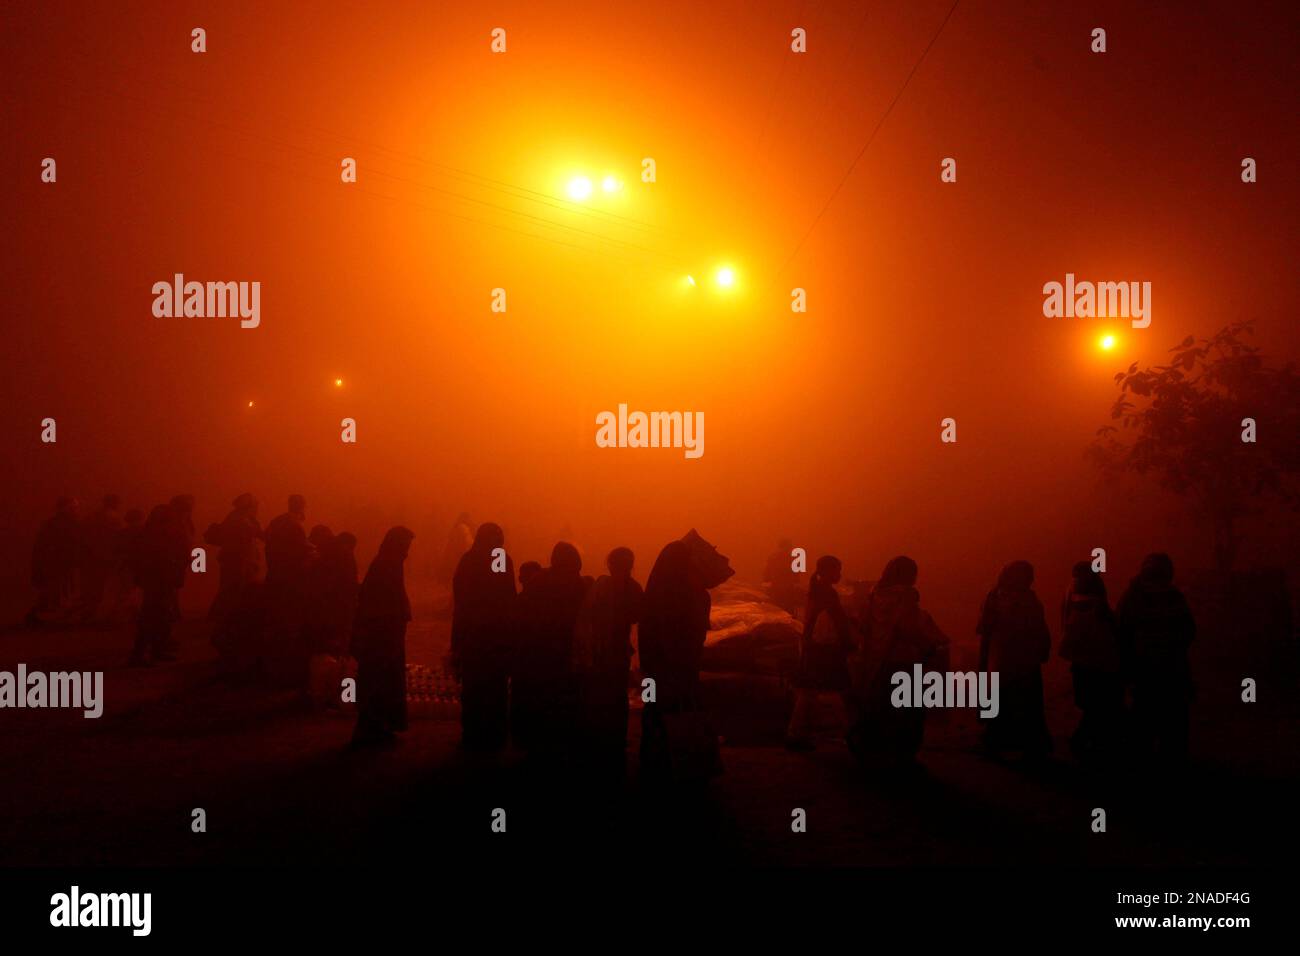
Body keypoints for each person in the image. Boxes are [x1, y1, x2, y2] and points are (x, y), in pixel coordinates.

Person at [637, 534, 728, 781]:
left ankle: (654, 763)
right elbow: (685, 635)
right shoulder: (685, 595)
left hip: (655, 668)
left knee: (654, 711)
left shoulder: (656, 591)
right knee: (682, 712)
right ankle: (684, 762)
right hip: (678, 668)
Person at [848, 556, 949, 768]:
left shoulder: (874, 594)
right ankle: (902, 755)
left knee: (881, 706)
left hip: (878, 660)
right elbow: (907, 627)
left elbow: (863, 626)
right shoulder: (906, 596)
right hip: (905, 658)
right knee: (907, 709)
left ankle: (874, 751)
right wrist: (928, 645)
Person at [513, 542, 591, 759]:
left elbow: (520, 612)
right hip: (559, 651)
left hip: (541, 650)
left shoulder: (540, 581)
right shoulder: (576, 584)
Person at [1116, 553, 1195, 762]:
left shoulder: (1132, 597)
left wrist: (1126, 668)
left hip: (1146, 670)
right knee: (1172, 721)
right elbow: (1188, 632)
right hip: (1170, 670)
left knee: (1144, 719)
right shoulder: (1174, 597)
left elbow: (1122, 634)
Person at [574, 547, 644, 772]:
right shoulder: (631, 588)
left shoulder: (602, 586)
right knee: (615, 699)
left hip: (603, 653)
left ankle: (599, 743)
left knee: (601, 698)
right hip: (615, 653)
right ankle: (612, 743)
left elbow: (586, 618)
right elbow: (638, 615)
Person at [450, 522, 517, 754]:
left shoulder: (468, 560)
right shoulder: (497, 557)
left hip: (472, 633)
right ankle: (493, 734)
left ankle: (473, 734)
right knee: (494, 686)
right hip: (493, 634)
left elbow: (461, 598)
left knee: (474, 686)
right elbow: (504, 591)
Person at [977, 561, 1053, 760]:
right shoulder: (997, 598)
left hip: (1019, 658)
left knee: (1021, 700)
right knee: (1010, 699)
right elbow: (985, 628)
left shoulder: (1023, 598)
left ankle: (1016, 743)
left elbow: (1039, 625)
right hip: (1007, 658)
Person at [351, 526, 415, 748]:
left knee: (383, 680)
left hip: (386, 633)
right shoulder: (387, 564)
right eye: (406, 545)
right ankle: (372, 728)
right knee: (378, 680)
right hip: (382, 635)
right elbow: (383, 601)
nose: (408, 550)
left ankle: (378, 727)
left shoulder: (389, 562)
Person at [785, 555, 855, 751]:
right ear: (826, 571)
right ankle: (852, 733)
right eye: (836, 570)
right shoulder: (827, 593)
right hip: (823, 649)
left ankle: (797, 733)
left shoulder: (816, 589)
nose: (839, 575)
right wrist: (849, 641)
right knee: (840, 691)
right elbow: (838, 620)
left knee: (809, 692)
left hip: (814, 646)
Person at [1059, 562, 1122, 759]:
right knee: (1099, 704)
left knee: (1093, 705)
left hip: (1084, 660)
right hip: (1098, 660)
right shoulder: (1091, 601)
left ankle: (1087, 742)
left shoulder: (1071, 594)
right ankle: (1086, 742)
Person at [128, 505, 185, 666]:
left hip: (160, 582)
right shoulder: (155, 537)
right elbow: (155, 560)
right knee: (150, 618)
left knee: (161, 618)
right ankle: (140, 654)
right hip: (157, 583)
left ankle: (156, 650)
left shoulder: (151, 535)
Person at [264, 495, 311, 682]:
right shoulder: (294, 525)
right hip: (289, 577)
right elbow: (300, 549)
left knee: (276, 615)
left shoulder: (278, 521)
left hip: (275, 572)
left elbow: (267, 540)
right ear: (301, 507)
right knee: (287, 618)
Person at [27, 497, 82, 626]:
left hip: (56, 563)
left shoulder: (51, 523)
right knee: (57, 592)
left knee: (57, 592)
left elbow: (40, 545)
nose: (76, 509)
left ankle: (44, 615)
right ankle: (45, 616)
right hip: (59, 564)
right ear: (67, 508)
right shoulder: (66, 523)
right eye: (74, 507)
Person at [79, 494, 123, 622]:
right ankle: (101, 613)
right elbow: (117, 539)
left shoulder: (91, 517)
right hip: (107, 557)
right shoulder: (114, 519)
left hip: (90, 556)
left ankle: (88, 611)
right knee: (105, 586)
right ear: (114, 503)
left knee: (91, 584)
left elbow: (83, 536)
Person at [764, 537, 802, 613]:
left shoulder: (772, 556)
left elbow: (767, 572)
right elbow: (797, 574)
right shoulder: (793, 557)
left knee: (776, 610)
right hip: (788, 588)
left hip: (775, 587)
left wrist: (767, 581)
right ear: (789, 546)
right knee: (788, 610)